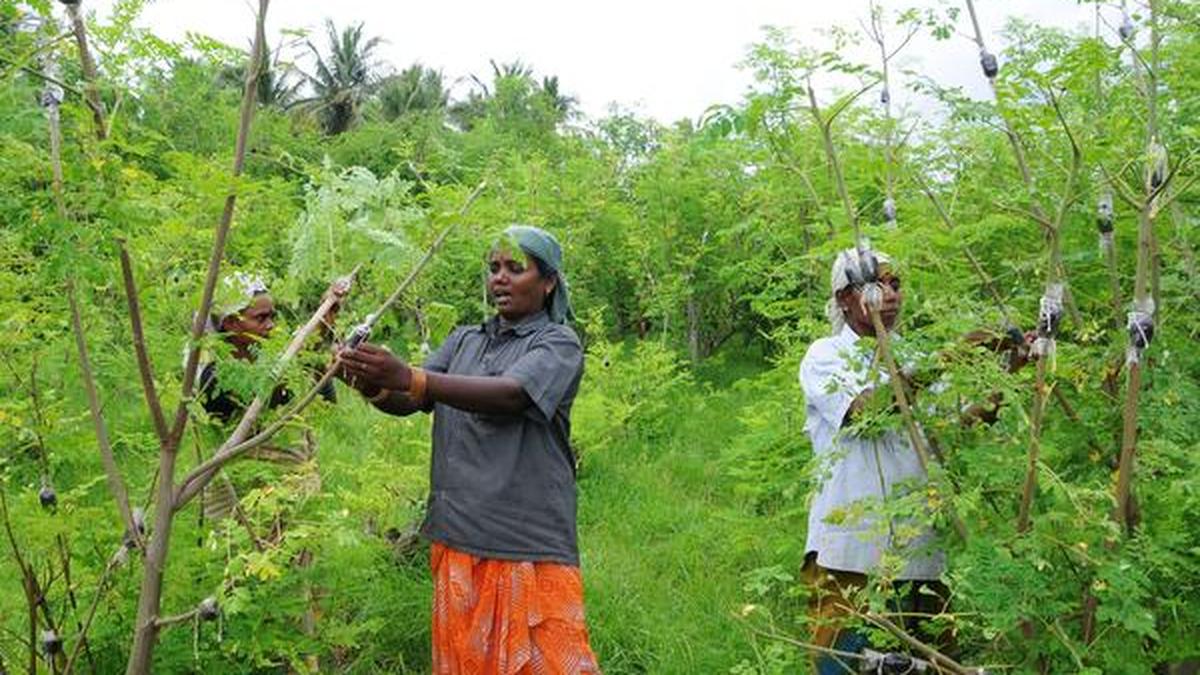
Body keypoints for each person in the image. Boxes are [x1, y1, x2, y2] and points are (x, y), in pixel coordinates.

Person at [338, 225, 601, 675]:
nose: (499, 278)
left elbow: (511, 394)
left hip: (526, 540)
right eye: (494, 268)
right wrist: (370, 384)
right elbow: (413, 400)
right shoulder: (465, 340)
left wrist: (411, 375)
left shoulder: (557, 343)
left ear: (549, 280)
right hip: (459, 532)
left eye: (515, 268)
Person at [799, 248, 948, 673]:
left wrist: (1006, 367)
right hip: (849, 557)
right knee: (846, 663)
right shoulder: (825, 355)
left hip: (919, 554)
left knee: (923, 664)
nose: (893, 294)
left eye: (897, 284)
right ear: (846, 297)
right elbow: (867, 413)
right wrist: (944, 361)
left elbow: (954, 425)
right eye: (881, 283)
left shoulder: (915, 354)